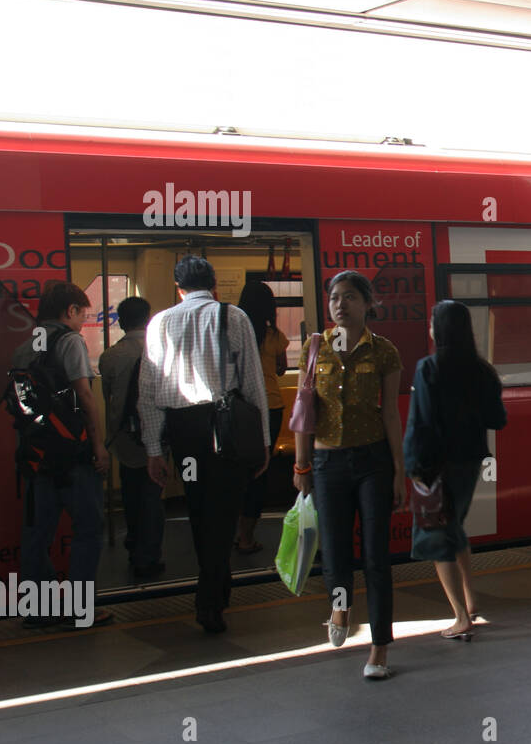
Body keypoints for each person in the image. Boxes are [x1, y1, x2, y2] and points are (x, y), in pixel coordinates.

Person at [140, 257, 270, 634]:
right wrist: (261, 441)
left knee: (198, 508)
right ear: (214, 285)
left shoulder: (159, 322)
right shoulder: (233, 317)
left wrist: (153, 449)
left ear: (177, 287)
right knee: (225, 509)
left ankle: (214, 589)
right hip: (225, 429)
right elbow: (252, 384)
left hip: (184, 434)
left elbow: (147, 392)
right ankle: (211, 596)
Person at [294, 271, 405, 680]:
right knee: (336, 553)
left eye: (351, 297)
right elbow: (305, 412)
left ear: (368, 303)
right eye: (335, 298)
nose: (341, 305)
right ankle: (340, 606)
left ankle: (379, 647)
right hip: (327, 465)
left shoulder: (384, 352)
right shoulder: (314, 347)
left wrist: (398, 470)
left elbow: (391, 414)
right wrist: (301, 466)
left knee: (376, 557)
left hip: (373, 462)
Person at [403, 300, 507, 640]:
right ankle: (471, 600)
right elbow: (498, 420)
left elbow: (420, 423)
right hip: (470, 462)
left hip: (436, 465)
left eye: (432, 322)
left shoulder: (428, 369)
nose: (429, 328)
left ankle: (460, 616)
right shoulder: (483, 370)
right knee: (455, 527)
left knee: (437, 538)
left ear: (439, 329)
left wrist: (413, 468)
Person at [12, 281, 113, 627]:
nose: (83, 322)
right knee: (87, 527)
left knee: (38, 533)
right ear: (70, 311)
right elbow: (84, 397)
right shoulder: (69, 341)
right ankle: (78, 608)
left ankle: (37, 609)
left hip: (37, 454)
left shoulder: (25, 347)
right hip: (72, 454)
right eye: (83, 314)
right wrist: (99, 446)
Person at [98, 296, 164, 579]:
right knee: (152, 496)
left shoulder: (110, 356)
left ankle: (133, 541)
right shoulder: (160, 351)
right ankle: (147, 556)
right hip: (156, 436)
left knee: (131, 493)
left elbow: (108, 398)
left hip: (125, 438)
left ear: (121, 322)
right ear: (147, 319)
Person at [235, 281, 289, 555]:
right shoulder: (275, 337)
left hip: (242, 409)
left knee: (238, 471)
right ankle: (247, 537)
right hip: (271, 407)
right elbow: (281, 371)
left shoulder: (235, 333)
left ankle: (233, 532)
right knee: (260, 471)